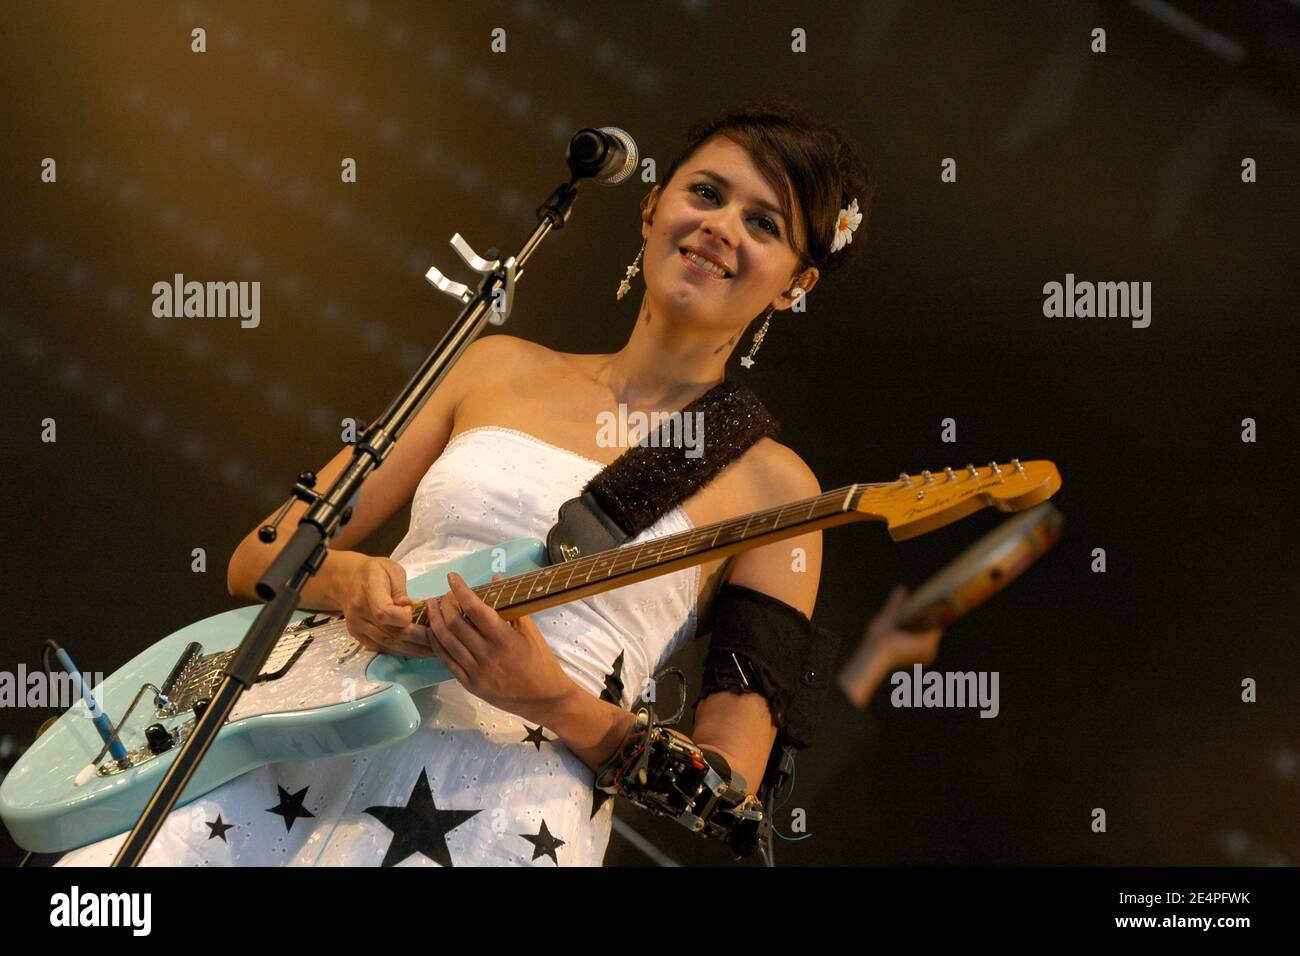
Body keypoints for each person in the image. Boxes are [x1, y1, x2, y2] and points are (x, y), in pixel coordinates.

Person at [56, 99, 930, 866]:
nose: (721, 227)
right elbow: (262, 555)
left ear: (797, 284)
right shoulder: (493, 366)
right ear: (651, 208)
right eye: (706, 193)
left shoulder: (776, 485)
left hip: (498, 814)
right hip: (296, 741)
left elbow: (731, 798)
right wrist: (349, 579)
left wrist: (550, 696)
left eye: (765, 223)